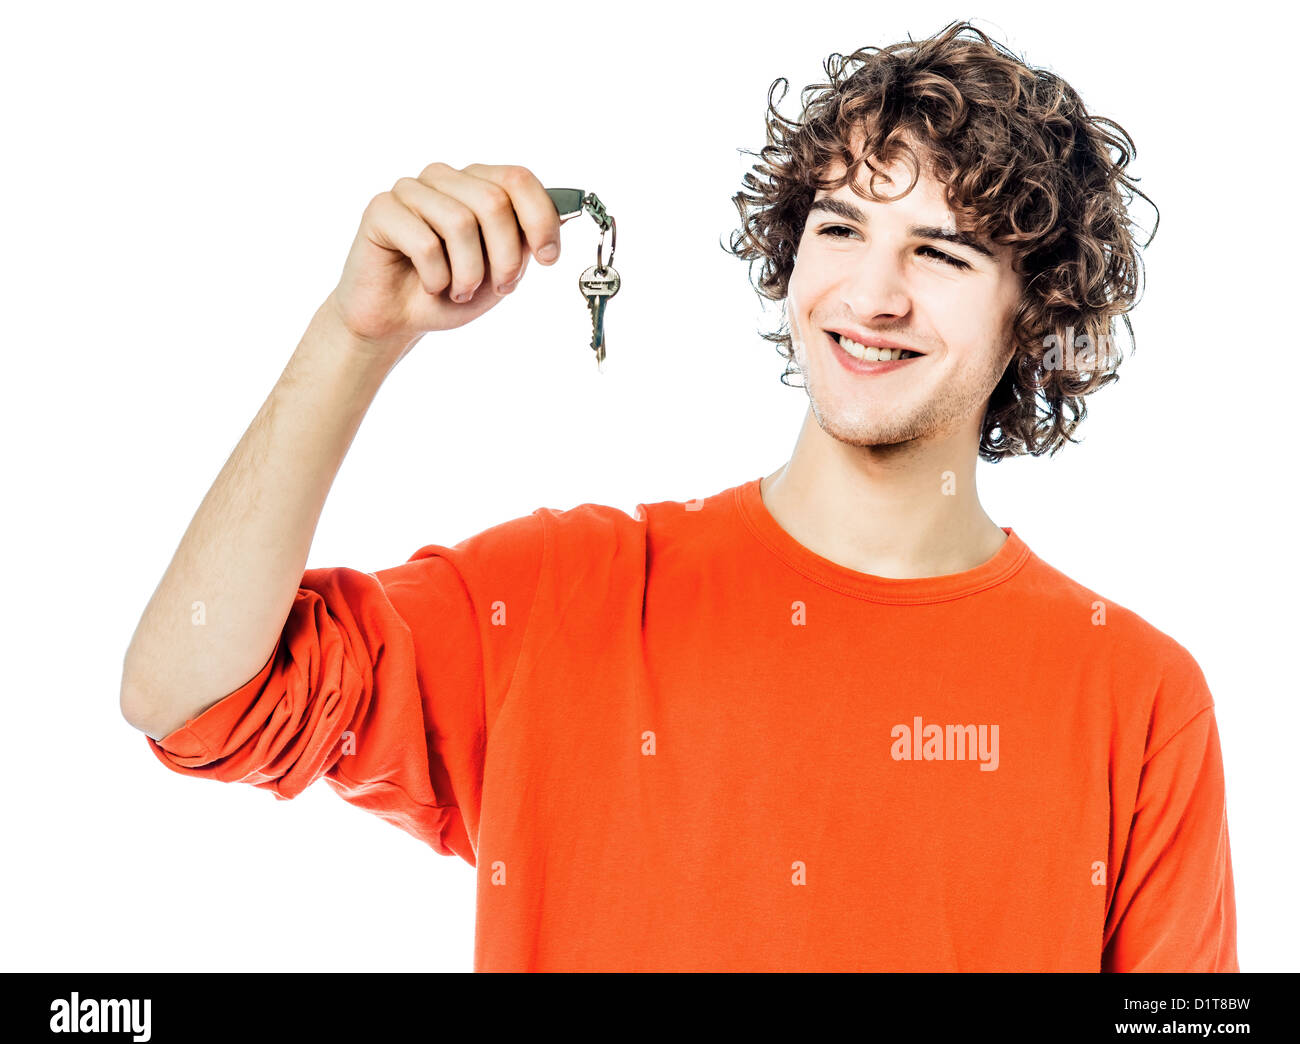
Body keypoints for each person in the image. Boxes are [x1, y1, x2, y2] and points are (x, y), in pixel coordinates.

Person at [120, 20, 1238, 972]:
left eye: (940, 254)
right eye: (840, 228)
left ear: (1032, 315)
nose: (870, 294)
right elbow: (185, 695)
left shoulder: (1138, 698)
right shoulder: (562, 597)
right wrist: (355, 339)